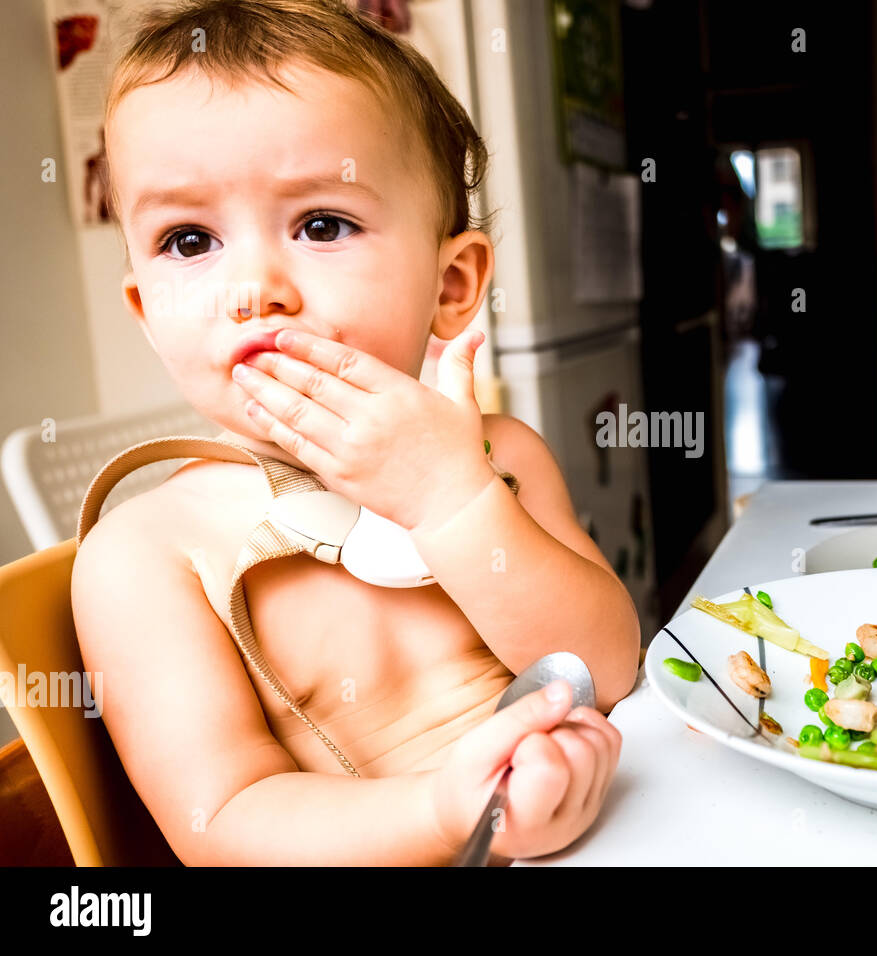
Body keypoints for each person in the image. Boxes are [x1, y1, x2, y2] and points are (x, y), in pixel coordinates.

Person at [69, 0, 640, 866]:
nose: (255, 288)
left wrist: (455, 502)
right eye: (190, 240)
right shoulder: (142, 556)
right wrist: (446, 812)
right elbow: (220, 822)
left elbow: (606, 667)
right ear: (147, 311)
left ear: (452, 284)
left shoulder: (499, 458)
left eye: (321, 225)